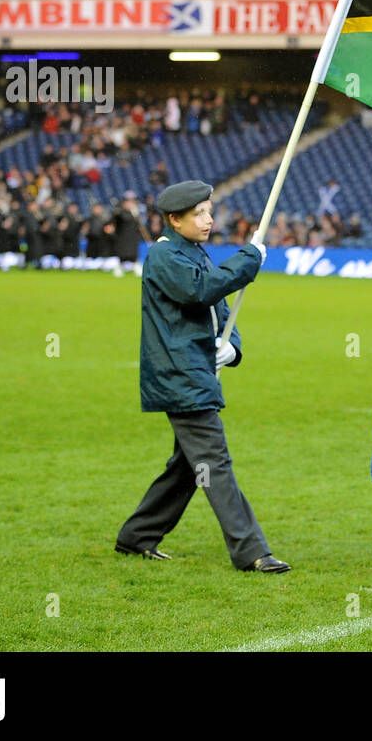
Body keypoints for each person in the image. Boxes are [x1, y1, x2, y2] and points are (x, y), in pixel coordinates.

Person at [116, 179, 289, 573]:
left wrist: (234, 347)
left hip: (195, 372)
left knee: (191, 466)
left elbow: (221, 310)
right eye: (199, 214)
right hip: (180, 377)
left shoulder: (193, 251)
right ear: (174, 220)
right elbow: (200, 290)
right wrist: (250, 259)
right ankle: (251, 551)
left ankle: (136, 536)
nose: (208, 220)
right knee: (214, 462)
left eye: (209, 211)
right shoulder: (164, 257)